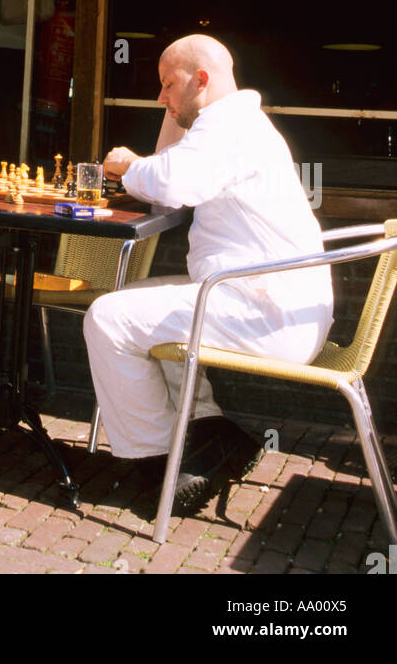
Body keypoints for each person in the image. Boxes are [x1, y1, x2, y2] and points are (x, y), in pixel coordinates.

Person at [83, 34, 334, 510]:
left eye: (167, 85)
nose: (159, 97)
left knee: (107, 318)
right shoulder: (228, 122)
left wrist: (129, 164)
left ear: (202, 80)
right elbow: (164, 190)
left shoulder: (229, 126)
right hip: (263, 302)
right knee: (139, 300)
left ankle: (158, 465)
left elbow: (171, 183)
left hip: (265, 313)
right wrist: (174, 109)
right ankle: (211, 437)